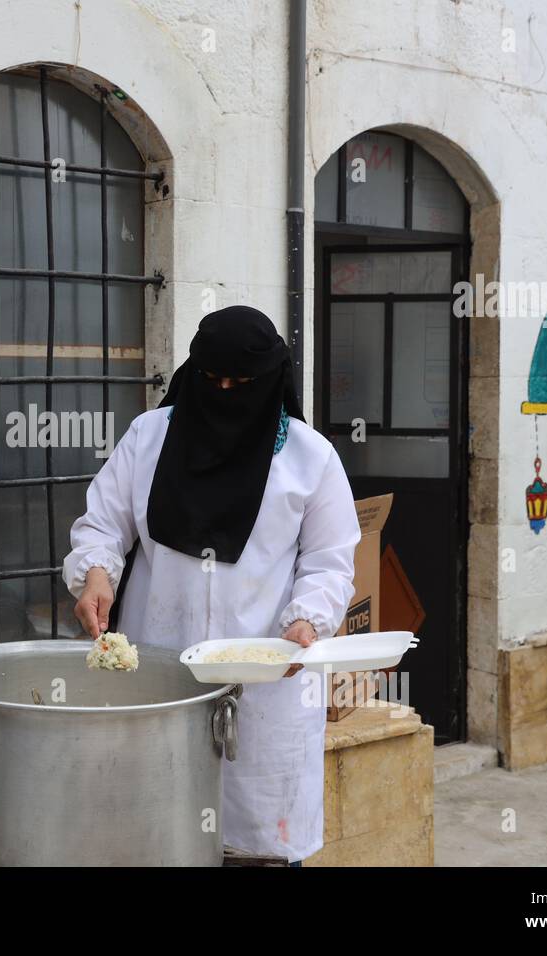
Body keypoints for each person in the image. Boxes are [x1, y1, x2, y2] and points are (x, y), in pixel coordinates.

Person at [63, 305, 360, 864]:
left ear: (269, 380)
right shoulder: (150, 438)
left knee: (256, 846)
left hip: (265, 683)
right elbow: (103, 524)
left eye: (241, 383)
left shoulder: (309, 457)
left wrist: (306, 621)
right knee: (154, 836)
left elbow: (328, 561)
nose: (225, 393)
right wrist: (96, 573)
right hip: (158, 674)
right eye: (212, 379)